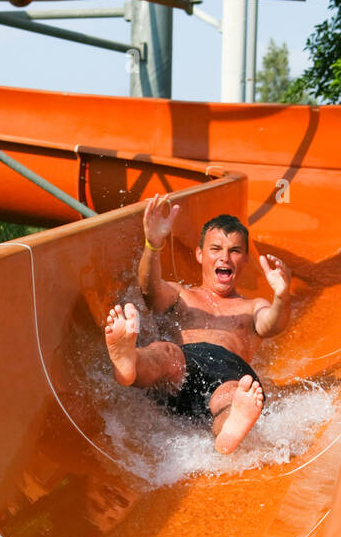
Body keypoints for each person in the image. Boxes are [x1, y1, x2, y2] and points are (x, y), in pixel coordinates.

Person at [104, 194, 292, 454]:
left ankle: (229, 431)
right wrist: (153, 245)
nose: (224, 257)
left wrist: (282, 297)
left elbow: (273, 323)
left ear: (245, 260)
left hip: (228, 370)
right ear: (200, 254)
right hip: (182, 366)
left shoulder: (252, 307)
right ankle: (128, 365)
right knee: (164, 352)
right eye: (216, 249)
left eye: (235, 251)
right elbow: (149, 288)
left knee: (232, 395)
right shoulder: (181, 295)